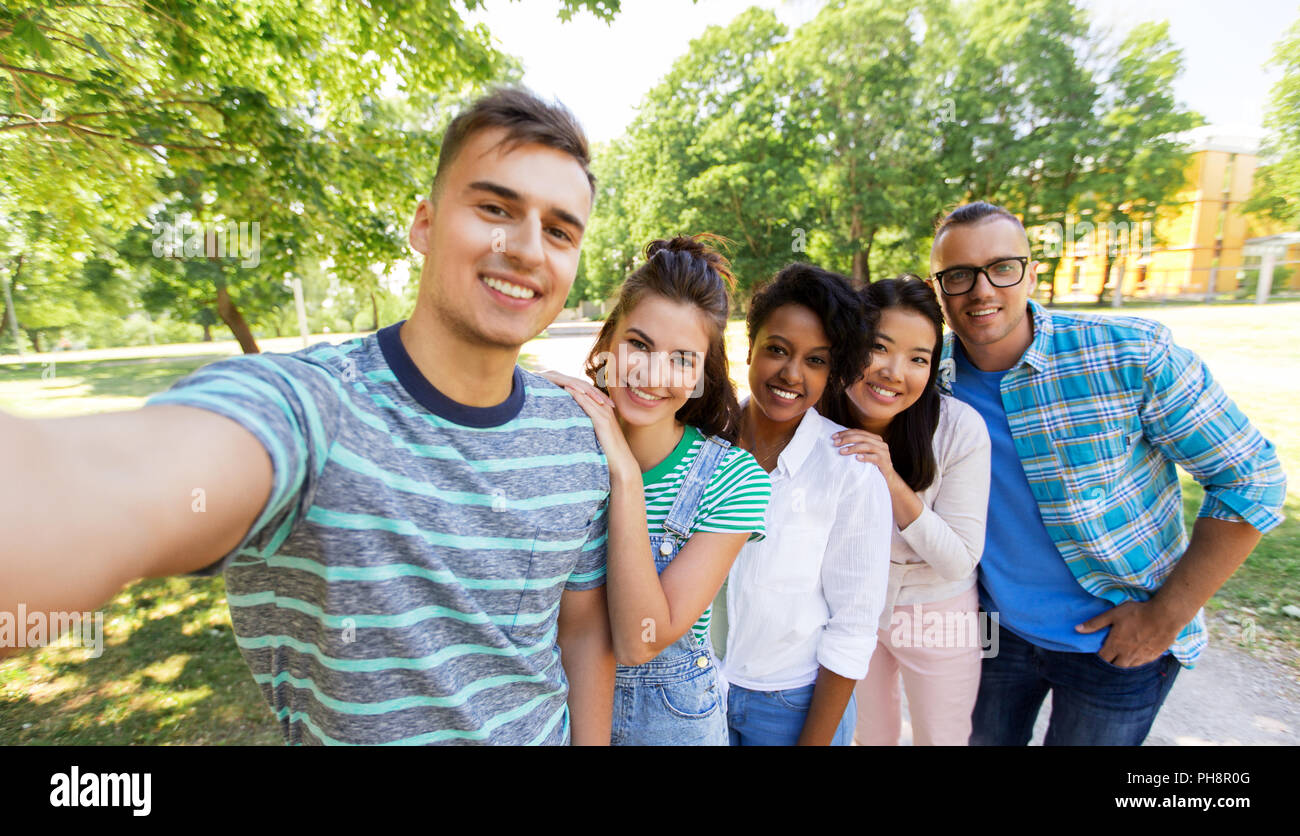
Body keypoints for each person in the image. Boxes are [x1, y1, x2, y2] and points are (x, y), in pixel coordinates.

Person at [0, 88, 619, 745]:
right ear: (425, 225)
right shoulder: (314, 409)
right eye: (495, 207)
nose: (526, 249)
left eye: (558, 231)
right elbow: (109, 481)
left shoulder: (576, 433)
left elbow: (579, 629)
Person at [929, 201, 1287, 746]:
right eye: (958, 276)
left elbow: (1250, 476)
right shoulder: (929, 382)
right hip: (991, 634)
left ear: (1032, 271)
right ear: (939, 290)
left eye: (1002, 267)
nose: (981, 290)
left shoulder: (1130, 353)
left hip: (1117, 644)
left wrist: (1167, 615)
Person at [544, 235, 772, 746]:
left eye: (682, 359)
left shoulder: (733, 480)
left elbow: (638, 638)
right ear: (606, 346)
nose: (653, 374)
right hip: (551, 718)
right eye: (639, 345)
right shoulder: (557, 446)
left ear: (701, 374)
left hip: (671, 728)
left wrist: (625, 476)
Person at [720, 263, 891, 746]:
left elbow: (853, 628)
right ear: (749, 347)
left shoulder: (850, 473)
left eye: (816, 360)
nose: (791, 374)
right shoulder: (702, 443)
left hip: (792, 708)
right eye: (777, 350)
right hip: (698, 696)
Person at [823, 277, 990, 746]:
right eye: (880, 347)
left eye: (919, 358)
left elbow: (958, 558)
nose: (895, 372)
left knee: (942, 737)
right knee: (869, 736)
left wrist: (889, 478)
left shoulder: (959, 429)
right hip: (849, 604)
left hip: (936, 610)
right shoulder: (816, 416)